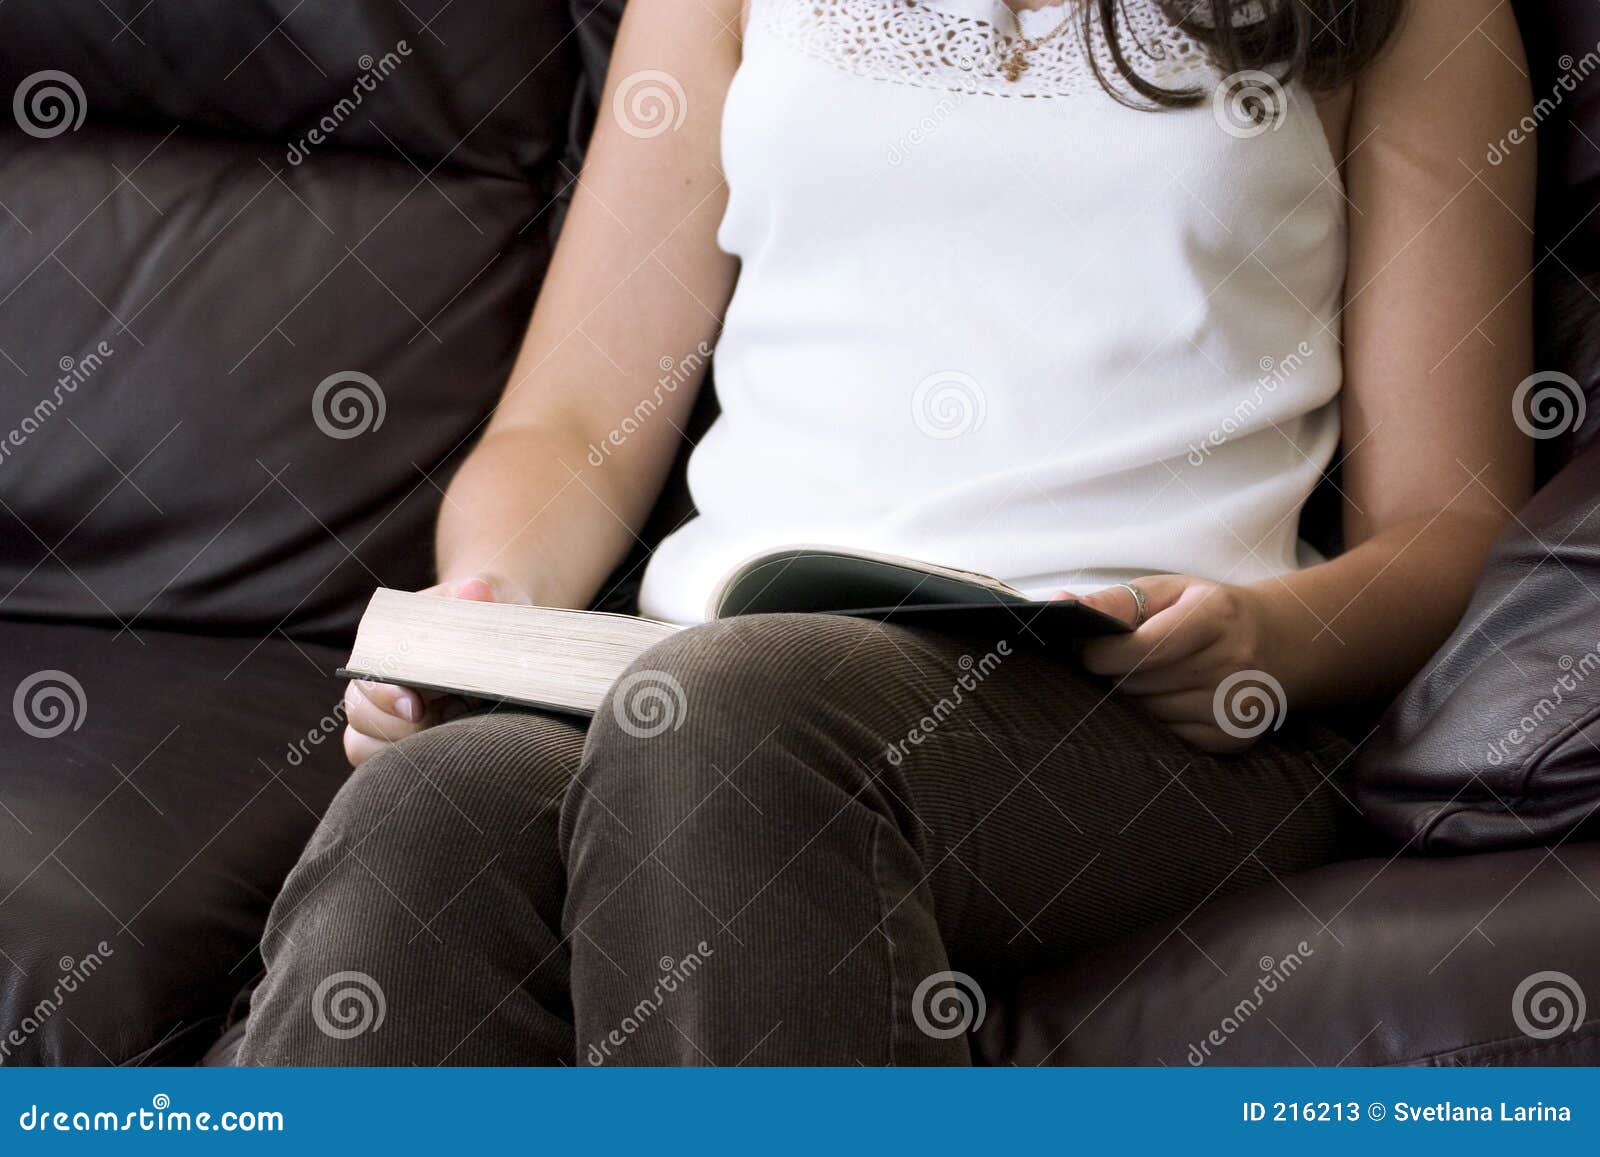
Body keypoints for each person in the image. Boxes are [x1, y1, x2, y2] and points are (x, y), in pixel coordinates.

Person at [238, 0, 1534, 1065]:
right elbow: (571, 423)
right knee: (429, 820)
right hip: (702, 667)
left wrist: (1268, 639)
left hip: (1136, 705)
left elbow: (1450, 517)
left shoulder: (1413, 12)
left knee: (736, 726)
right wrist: (485, 608)